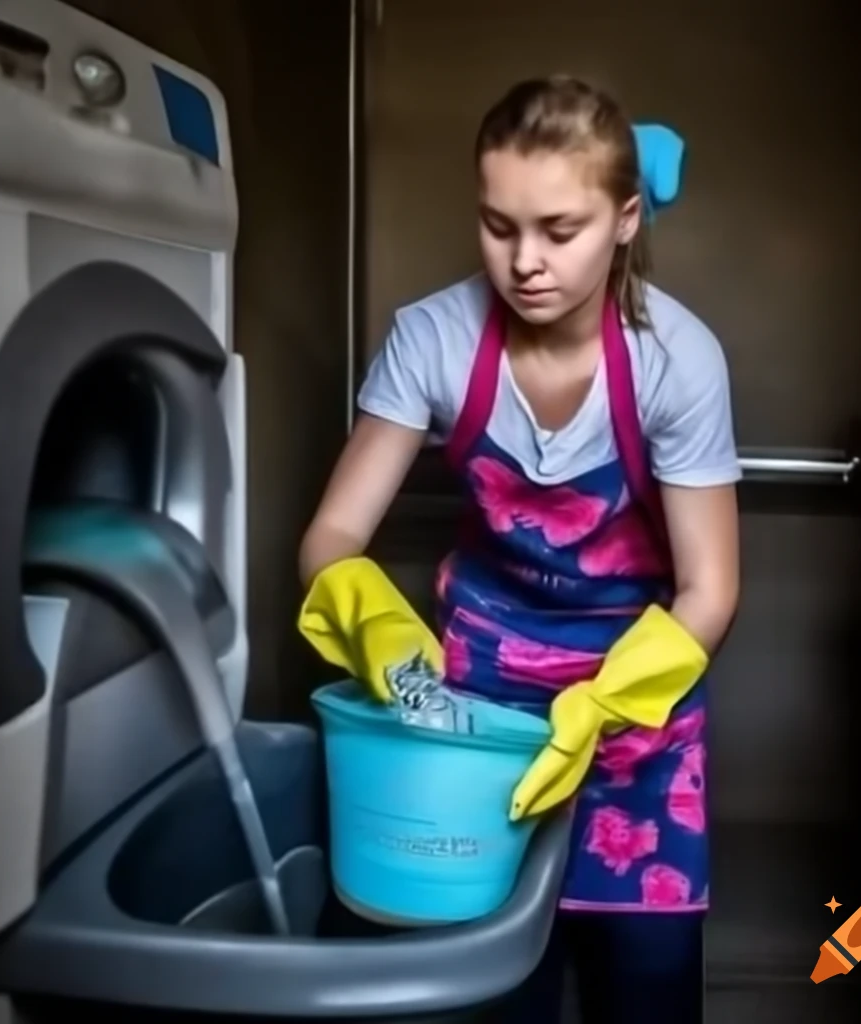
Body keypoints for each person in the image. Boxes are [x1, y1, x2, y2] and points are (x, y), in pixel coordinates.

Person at [297, 75, 741, 1024]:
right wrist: (375, 625)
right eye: (499, 227)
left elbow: (710, 589)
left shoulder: (677, 361)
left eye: (559, 230)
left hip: (635, 711)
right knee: (497, 984)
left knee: (650, 981)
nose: (525, 263)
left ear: (625, 220)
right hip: (478, 709)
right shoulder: (433, 339)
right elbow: (333, 534)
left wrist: (606, 706)